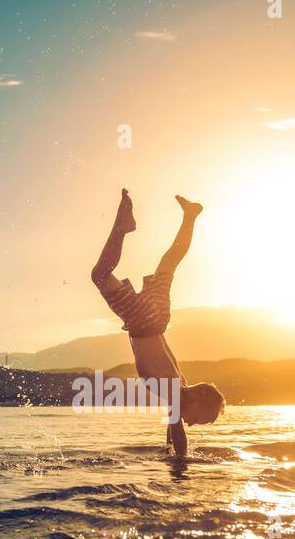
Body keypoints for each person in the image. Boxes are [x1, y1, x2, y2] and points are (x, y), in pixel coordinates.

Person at [90, 189, 225, 457]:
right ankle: (123, 228)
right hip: (142, 322)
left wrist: (167, 448)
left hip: (157, 319)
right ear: (197, 398)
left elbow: (172, 427)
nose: (190, 423)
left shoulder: (179, 383)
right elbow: (177, 429)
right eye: (197, 419)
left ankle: (190, 216)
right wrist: (180, 464)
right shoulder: (176, 392)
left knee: (169, 262)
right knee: (100, 274)